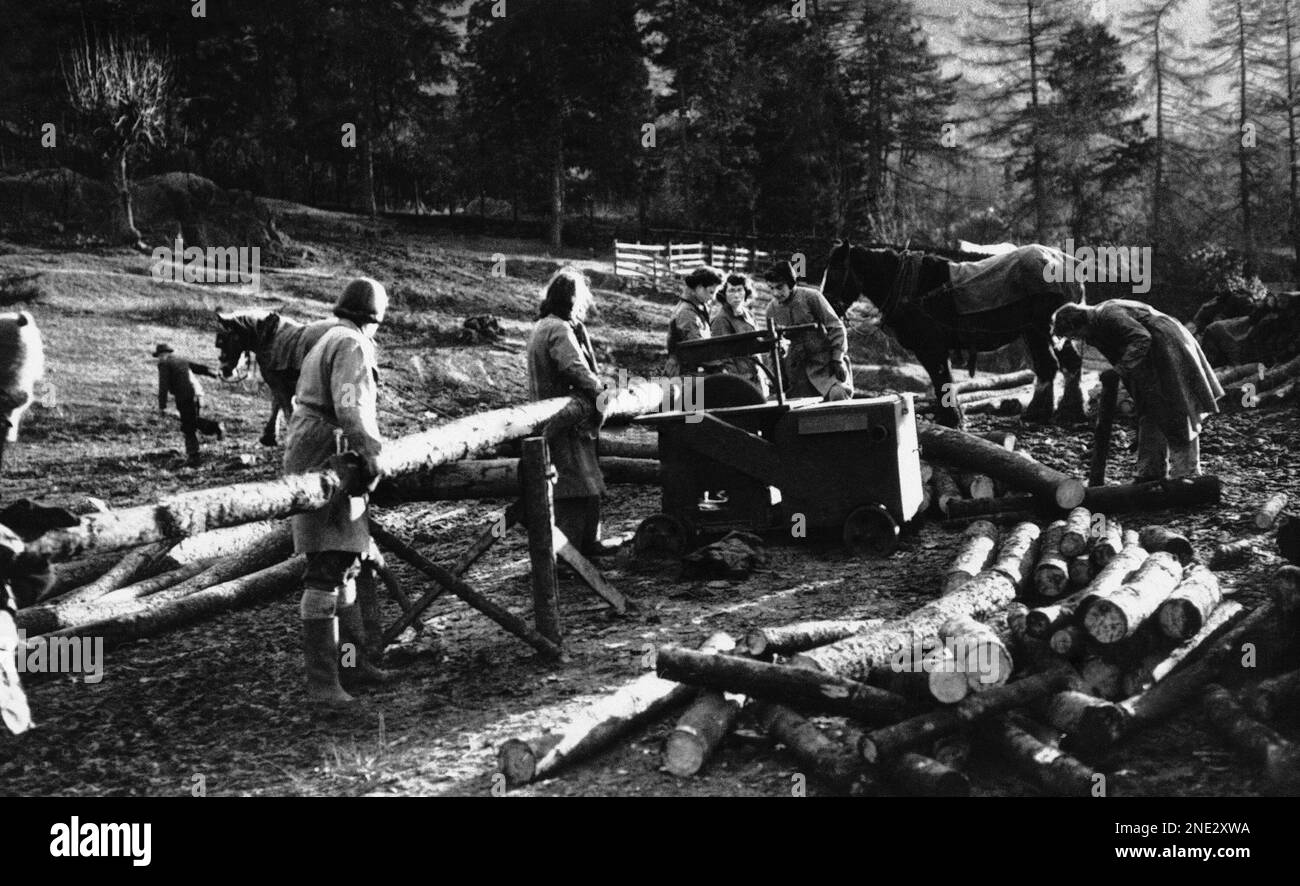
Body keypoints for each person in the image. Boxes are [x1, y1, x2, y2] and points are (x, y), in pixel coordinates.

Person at [284, 277, 392, 708]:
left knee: (344, 563)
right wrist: (372, 453)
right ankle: (323, 684)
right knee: (327, 569)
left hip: (319, 443)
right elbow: (350, 404)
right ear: (374, 319)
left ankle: (350, 664)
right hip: (325, 450)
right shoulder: (352, 344)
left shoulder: (329, 335)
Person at [1052, 300, 1224, 482]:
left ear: (1078, 323)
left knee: (1177, 407)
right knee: (1150, 409)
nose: (1079, 339)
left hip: (1166, 342)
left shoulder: (1109, 315)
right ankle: (1150, 471)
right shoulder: (1096, 328)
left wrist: (1119, 370)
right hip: (1151, 353)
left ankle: (1186, 473)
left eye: (1075, 335)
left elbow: (1142, 338)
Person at [527, 267, 616, 557]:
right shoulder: (558, 328)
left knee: (586, 482)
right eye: (579, 299)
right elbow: (573, 367)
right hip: (564, 416)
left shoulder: (544, 325)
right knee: (573, 485)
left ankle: (588, 545)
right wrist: (600, 390)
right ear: (570, 299)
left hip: (559, 415)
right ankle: (570, 556)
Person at [763, 261, 852, 401]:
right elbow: (773, 348)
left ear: (791, 283)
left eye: (780, 287)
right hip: (796, 372)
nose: (775, 293)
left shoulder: (811, 297)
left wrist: (838, 358)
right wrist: (776, 379)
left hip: (825, 366)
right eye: (771, 288)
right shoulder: (771, 310)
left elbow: (836, 327)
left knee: (837, 395)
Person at [154, 343, 224, 467]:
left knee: (188, 425)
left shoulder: (164, 364)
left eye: (159, 356)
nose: (159, 359)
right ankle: (195, 454)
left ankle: (195, 454)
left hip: (185, 395)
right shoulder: (181, 360)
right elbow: (199, 368)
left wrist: (162, 406)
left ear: (162, 354)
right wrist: (212, 373)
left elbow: (163, 386)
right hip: (197, 393)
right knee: (192, 422)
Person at [710, 273, 770, 398]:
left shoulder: (749, 315)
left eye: (739, 290)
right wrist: (737, 382)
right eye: (731, 291)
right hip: (740, 381)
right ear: (724, 294)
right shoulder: (721, 320)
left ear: (746, 292)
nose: (736, 295)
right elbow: (723, 357)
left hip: (758, 376)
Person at [665, 266, 724, 376]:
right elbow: (698, 349)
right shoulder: (687, 313)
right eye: (711, 292)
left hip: (694, 370)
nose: (713, 298)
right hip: (684, 374)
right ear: (700, 288)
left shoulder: (697, 308)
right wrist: (722, 364)